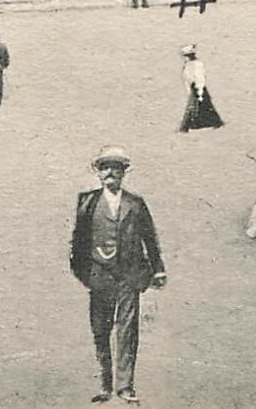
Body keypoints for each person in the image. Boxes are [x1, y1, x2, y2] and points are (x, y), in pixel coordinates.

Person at [69, 146, 167, 404]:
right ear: (98, 172)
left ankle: (125, 386)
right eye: (105, 167)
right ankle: (104, 384)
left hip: (129, 277)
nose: (110, 172)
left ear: (124, 172)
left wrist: (158, 269)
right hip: (99, 276)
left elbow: (150, 238)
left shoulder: (135, 203)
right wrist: (84, 273)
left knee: (127, 331)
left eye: (116, 167)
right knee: (100, 329)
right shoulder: (87, 201)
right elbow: (78, 240)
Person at [176, 45, 223, 132]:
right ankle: (210, 122)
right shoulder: (188, 65)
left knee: (196, 107)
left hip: (198, 88)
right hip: (193, 88)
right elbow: (187, 79)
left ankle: (186, 127)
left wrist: (200, 91)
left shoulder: (196, 65)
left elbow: (199, 78)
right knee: (201, 106)